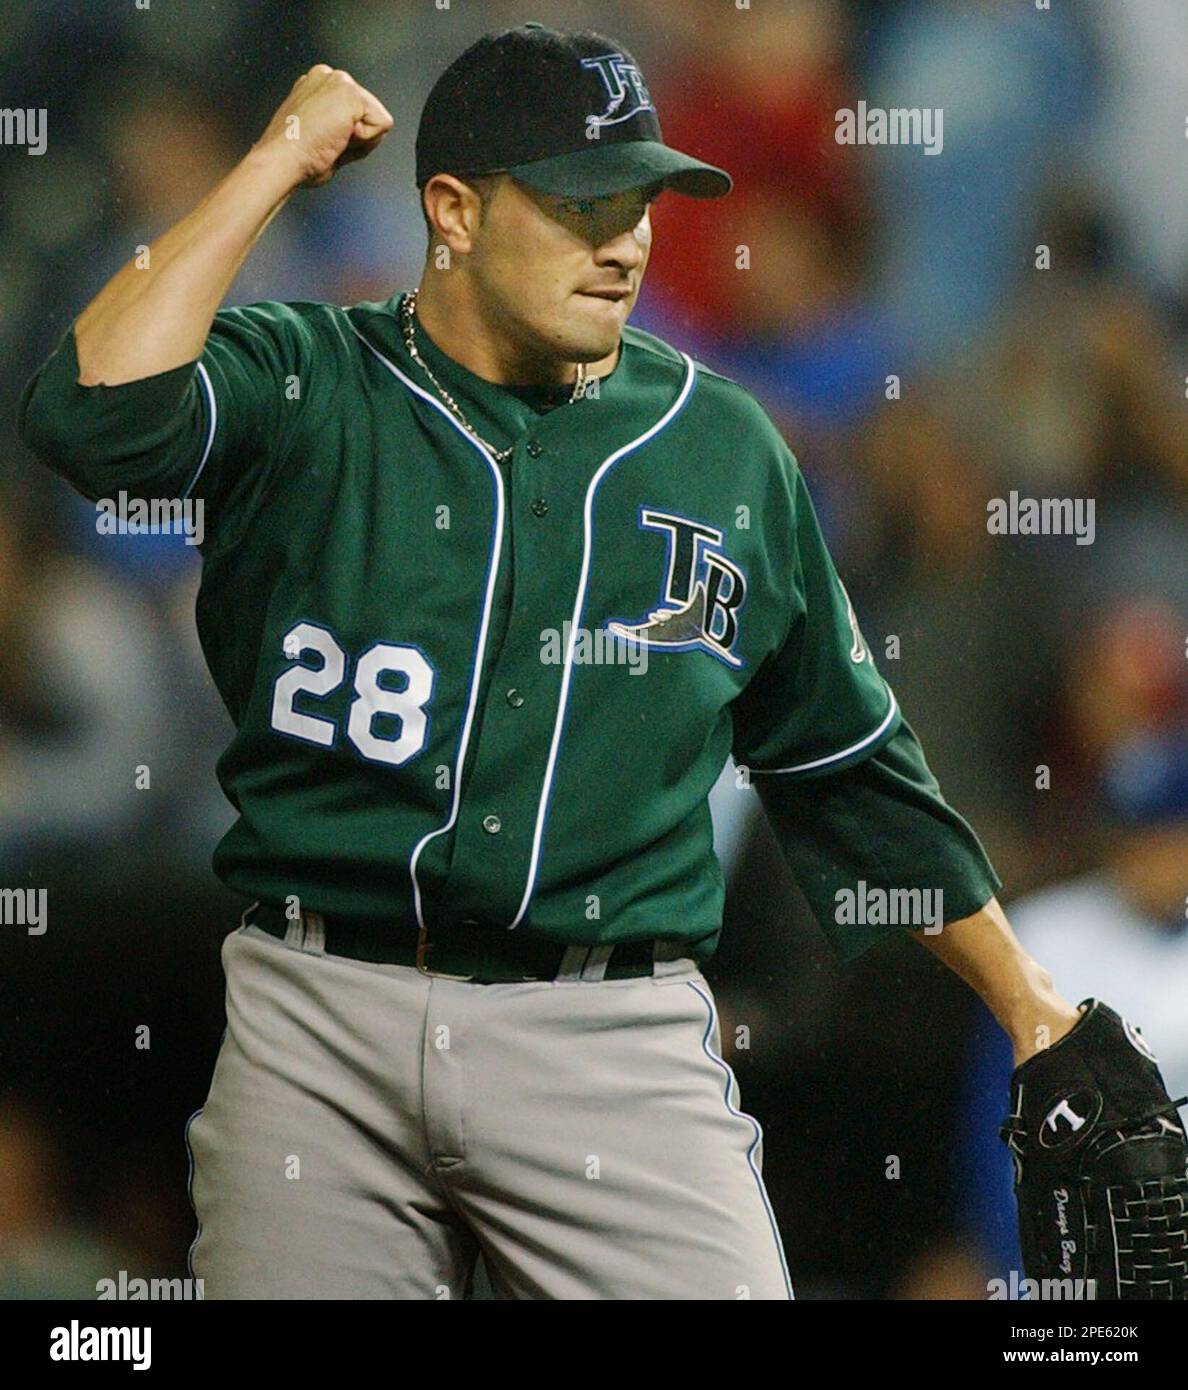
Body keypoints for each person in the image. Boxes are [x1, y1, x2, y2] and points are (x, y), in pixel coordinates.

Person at [19, 23, 1084, 1300]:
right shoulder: (308, 380)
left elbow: (847, 755)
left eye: (638, 203)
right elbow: (91, 412)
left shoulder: (723, 447)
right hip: (317, 1013)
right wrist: (271, 165)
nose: (626, 240)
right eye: (583, 205)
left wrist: (1030, 1004)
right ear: (452, 211)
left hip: (608, 1032)